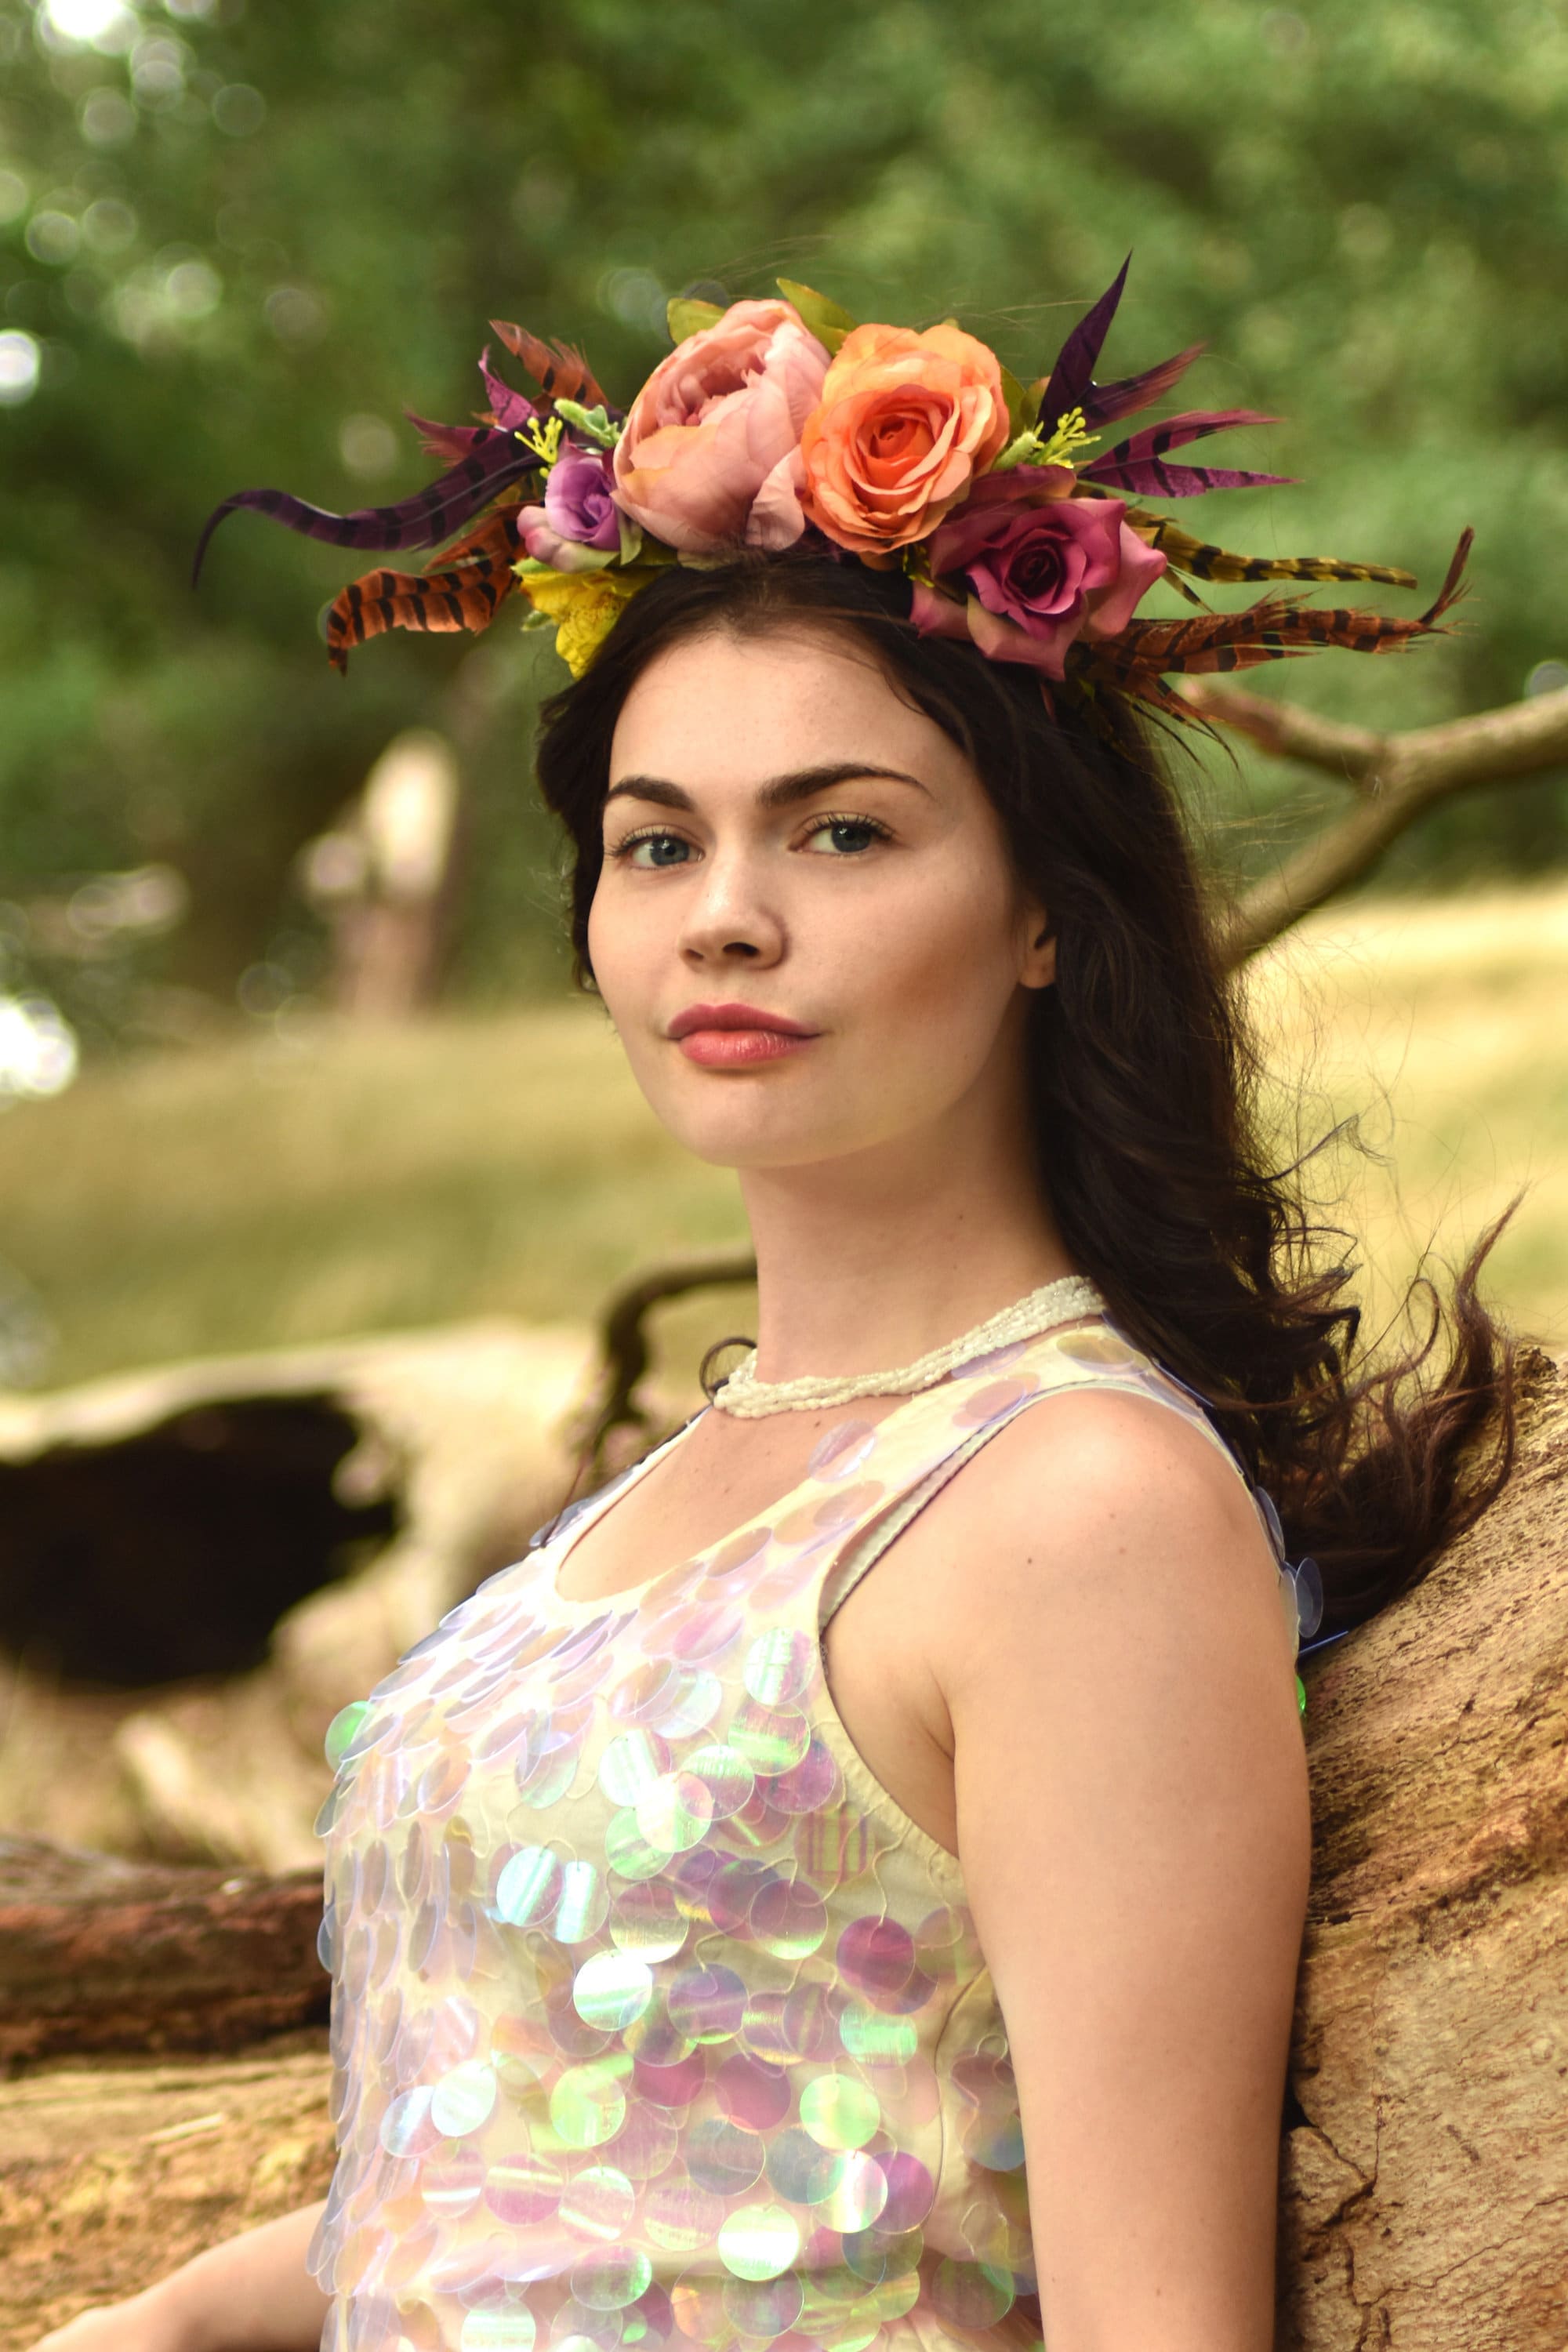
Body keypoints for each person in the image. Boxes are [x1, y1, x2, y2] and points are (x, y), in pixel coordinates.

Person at [42, 270, 1513, 2352]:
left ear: (1033, 914)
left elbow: (1154, 2324)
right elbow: (581, 2159)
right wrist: (179, 2322)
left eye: (840, 829)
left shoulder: (1072, 1511)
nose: (729, 911)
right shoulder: (649, 1501)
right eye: (660, 846)